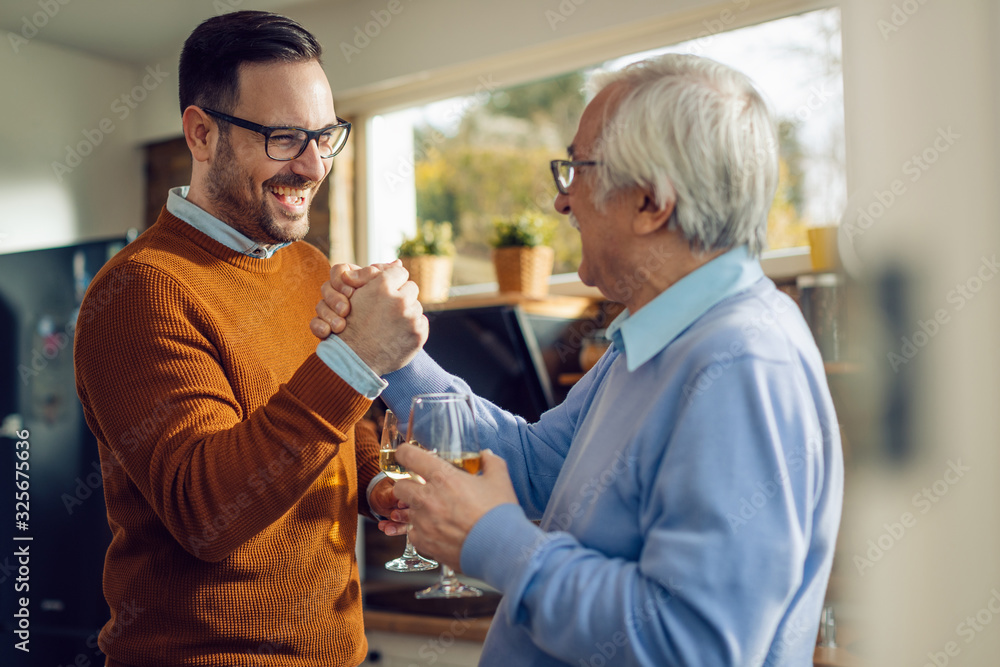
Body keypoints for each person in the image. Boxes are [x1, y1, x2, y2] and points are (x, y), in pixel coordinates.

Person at [313, 54, 844, 666]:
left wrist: (492, 540)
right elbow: (541, 469)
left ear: (652, 201)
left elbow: (694, 647)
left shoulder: (741, 363)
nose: (563, 202)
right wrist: (394, 354)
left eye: (578, 171)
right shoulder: (656, 337)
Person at [73, 11, 426, 667]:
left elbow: (333, 426)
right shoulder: (141, 293)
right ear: (202, 134)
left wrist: (377, 482)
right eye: (285, 137)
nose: (314, 166)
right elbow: (207, 511)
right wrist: (356, 360)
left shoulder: (310, 265)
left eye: (325, 136)